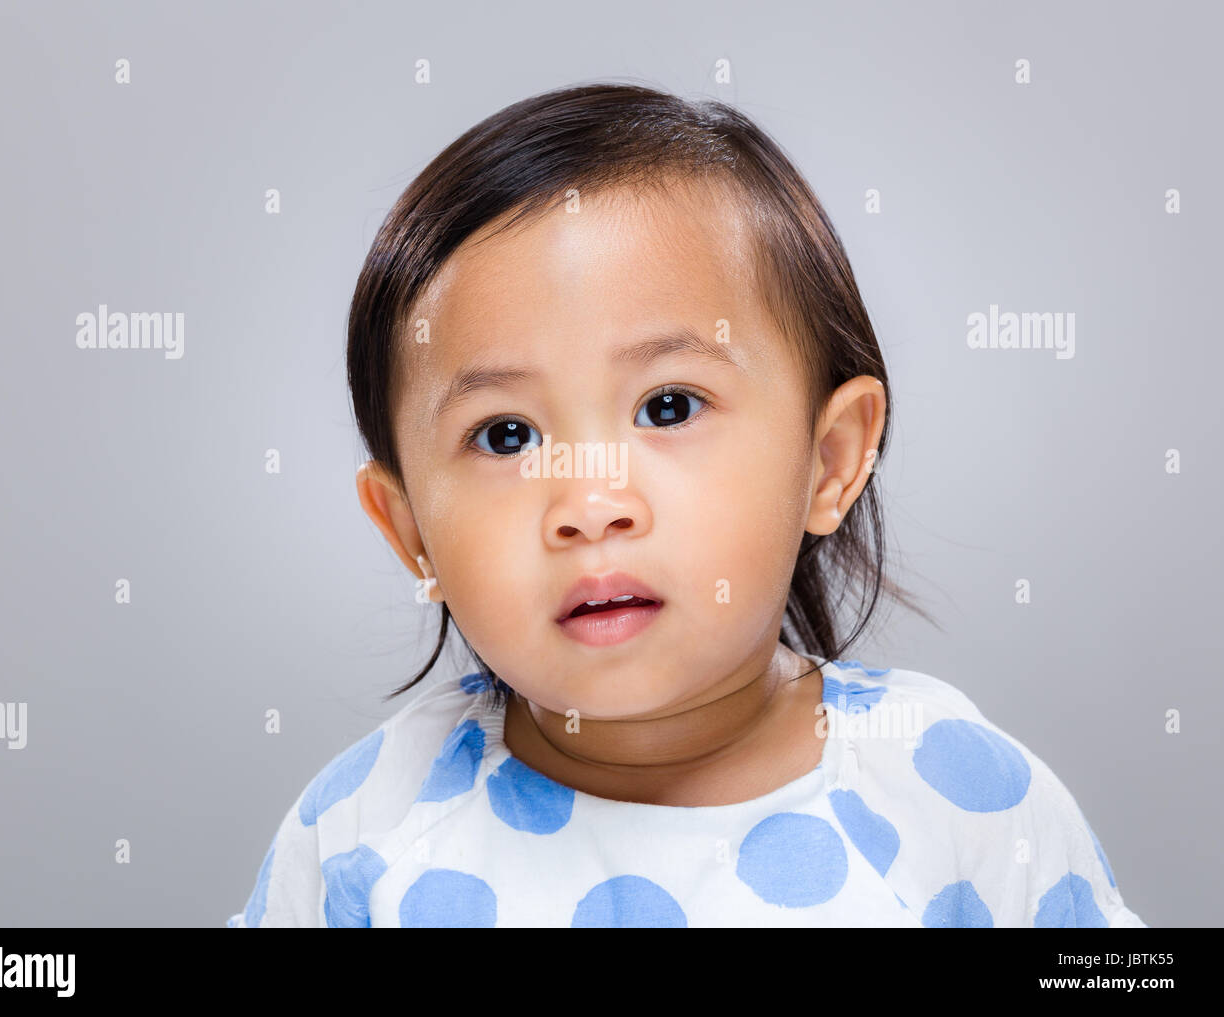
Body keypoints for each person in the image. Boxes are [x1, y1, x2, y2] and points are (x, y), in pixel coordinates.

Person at [227, 82, 1146, 928]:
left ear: (828, 460)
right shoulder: (366, 831)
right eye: (506, 435)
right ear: (411, 532)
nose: (591, 504)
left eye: (669, 406)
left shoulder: (955, 792)